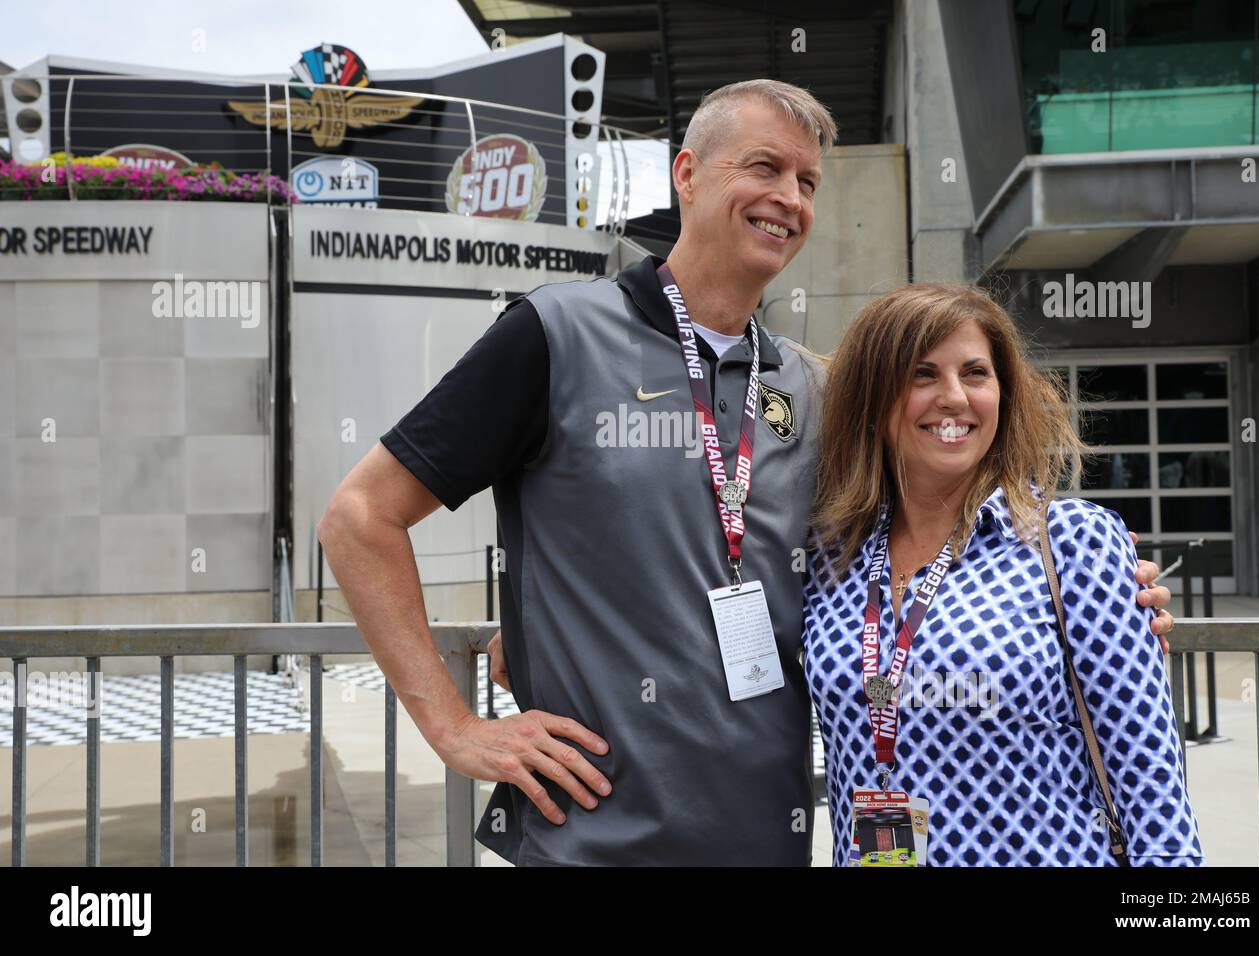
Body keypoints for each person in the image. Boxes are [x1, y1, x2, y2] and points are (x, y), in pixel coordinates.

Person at [317, 79, 1175, 866]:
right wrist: (451, 723)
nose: (789, 199)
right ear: (687, 173)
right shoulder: (553, 334)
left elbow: (922, 524)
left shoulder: (813, 387)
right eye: (764, 167)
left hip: (770, 838)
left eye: (807, 182)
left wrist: (1091, 584)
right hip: (594, 841)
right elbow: (359, 519)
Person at [802, 283, 1203, 866]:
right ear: (873, 398)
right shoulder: (829, 555)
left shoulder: (1072, 542)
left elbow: (1149, 774)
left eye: (975, 374)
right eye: (921, 374)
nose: (953, 398)